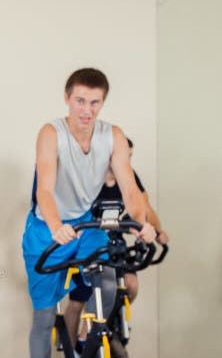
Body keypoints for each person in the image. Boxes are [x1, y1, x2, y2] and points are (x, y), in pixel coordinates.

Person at [23, 68, 156, 358]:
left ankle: (85, 343)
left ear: (103, 103)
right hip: (46, 229)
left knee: (110, 282)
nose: (87, 109)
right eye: (80, 100)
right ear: (68, 99)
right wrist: (55, 226)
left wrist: (140, 223)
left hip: (85, 225)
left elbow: (130, 188)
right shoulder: (51, 133)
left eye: (95, 102)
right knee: (43, 318)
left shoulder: (112, 135)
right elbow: (45, 189)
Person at [67, 138, 170, 342]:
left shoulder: (129, 177)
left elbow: (145, 207)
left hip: (114, 240)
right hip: (87, 242)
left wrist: (158, 232)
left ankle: (105, 322)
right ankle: (74, 350)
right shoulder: (88, 178)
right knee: (79, 300)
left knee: (130, 285)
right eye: (123, 156)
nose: (126, 161)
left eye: (130, 157)